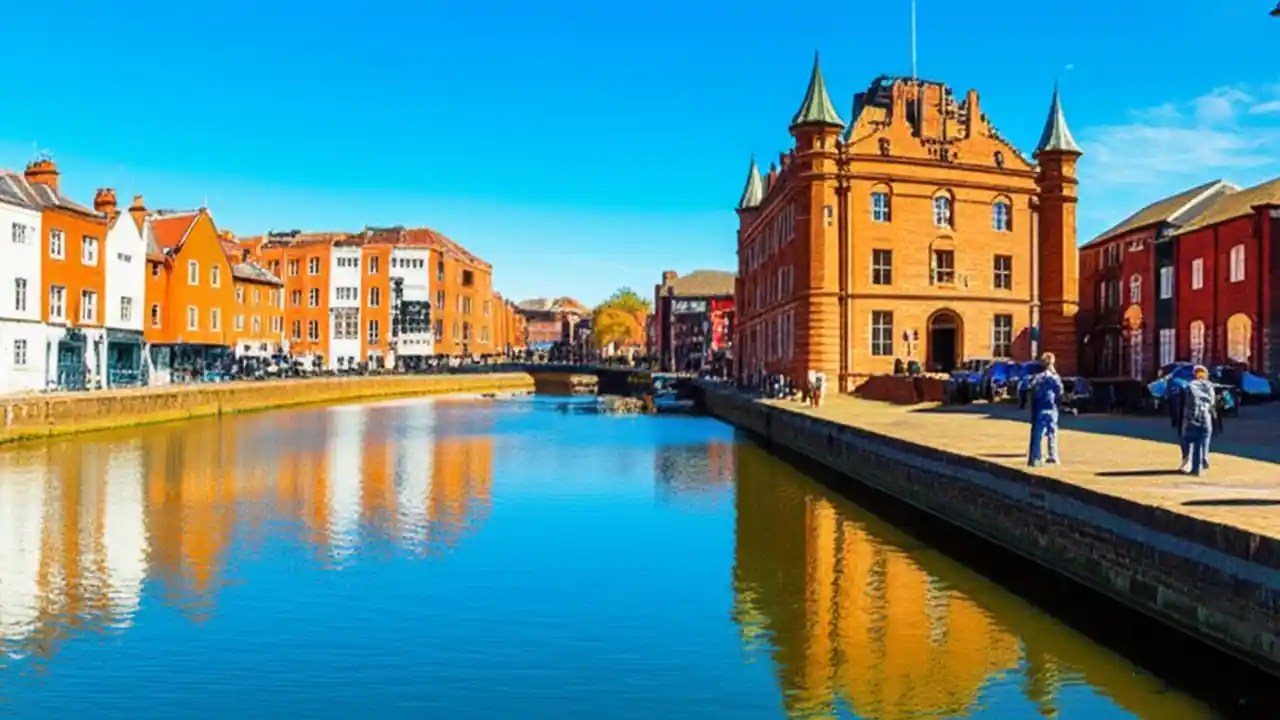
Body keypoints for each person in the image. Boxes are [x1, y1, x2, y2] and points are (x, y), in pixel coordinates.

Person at [1027, 352, 1064, 467]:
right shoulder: (1055, 377)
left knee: (1038, 434)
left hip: (1040, 407)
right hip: (1052, 407)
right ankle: (1053, 457)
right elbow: (1060, 391)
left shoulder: (1038, 377)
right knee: (1052, 433)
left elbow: (1031, 389)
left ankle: (1036, 459)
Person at [1178, 365, 1217, 475]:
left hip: (1191, 417)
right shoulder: (1210, 386)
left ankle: (1187, 460)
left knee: (1186, 439)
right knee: (1203, 441)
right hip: (1205, 418)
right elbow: (1213, 404)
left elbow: (1182, 402)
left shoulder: (1189, 386)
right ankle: (1201, 463)